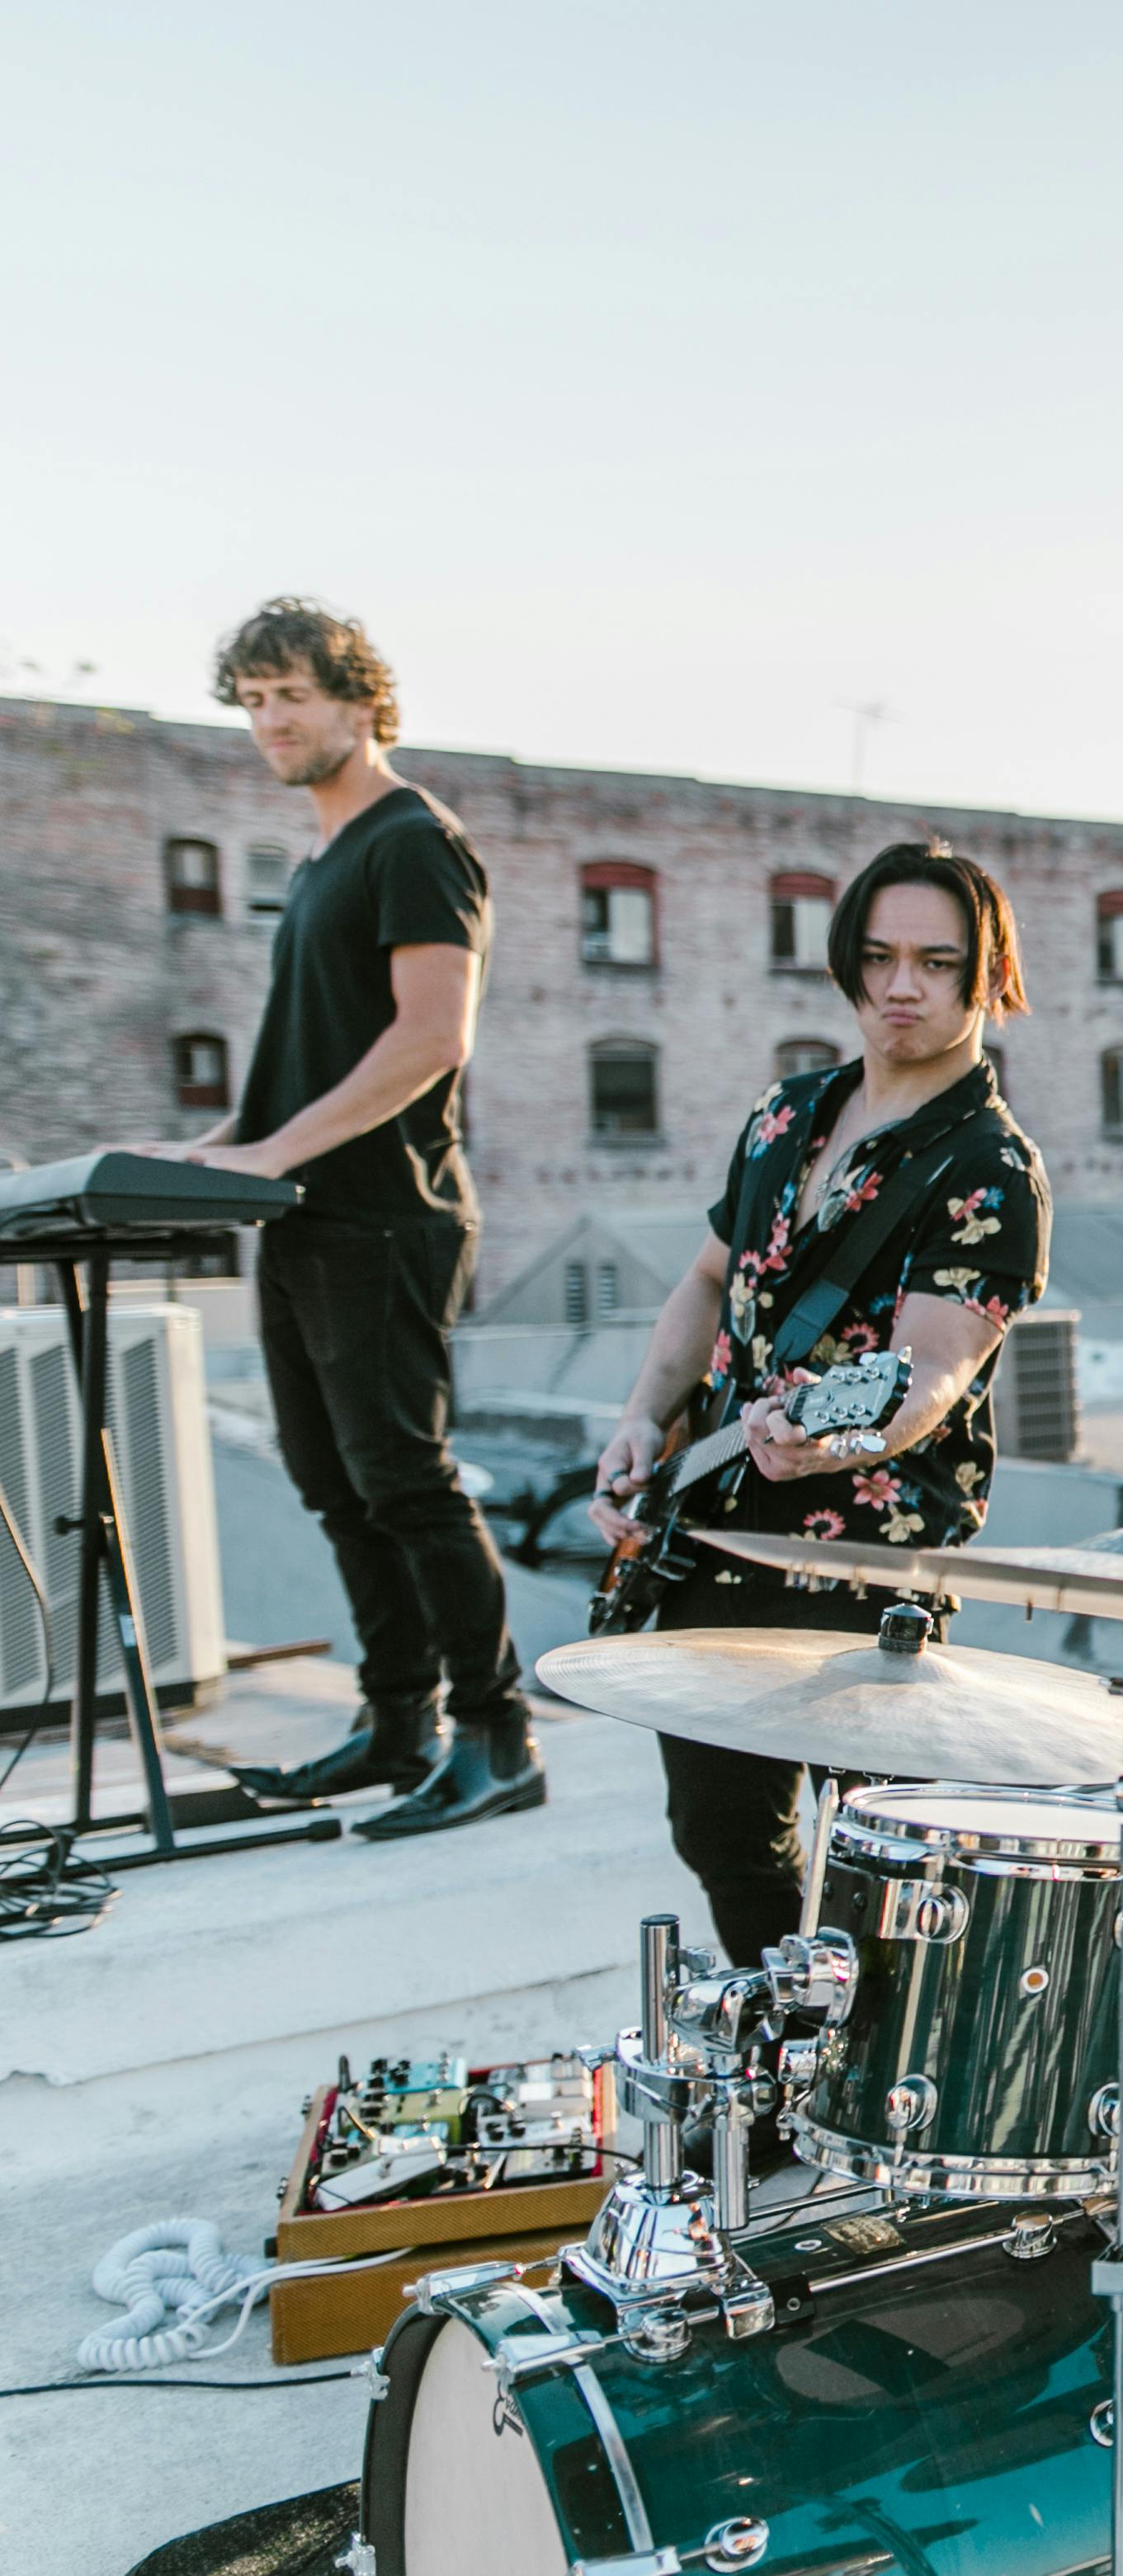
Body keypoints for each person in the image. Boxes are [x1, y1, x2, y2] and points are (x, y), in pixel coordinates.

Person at [587, 837, 1050, 1965]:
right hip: (712, 1536)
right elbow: (711, 1277)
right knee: (721, 1837)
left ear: (986, 976)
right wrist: (647, 1417)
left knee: (887, 1862)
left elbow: (932, 1371)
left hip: (867, 1569)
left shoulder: (990, 1171)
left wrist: (844, 1437)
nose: (903, 987)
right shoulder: (783, 1115)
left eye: (938, 963)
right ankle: (780, 2068)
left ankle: (878, 2094)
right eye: (881, 958)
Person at [191, 600, 541, 1840]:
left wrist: (279, 1150)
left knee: (405, 1479)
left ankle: (496, 1736)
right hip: (299, 1214)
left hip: (387, 1215)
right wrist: (221, 1155)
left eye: (291, 694)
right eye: (253, 702)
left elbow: (431, 1036)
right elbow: (311, 1055)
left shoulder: (413, 843)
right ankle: (399, 1725)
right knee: (333, 1484)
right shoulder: (322, 858)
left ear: (359, 699)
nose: (269, 722)